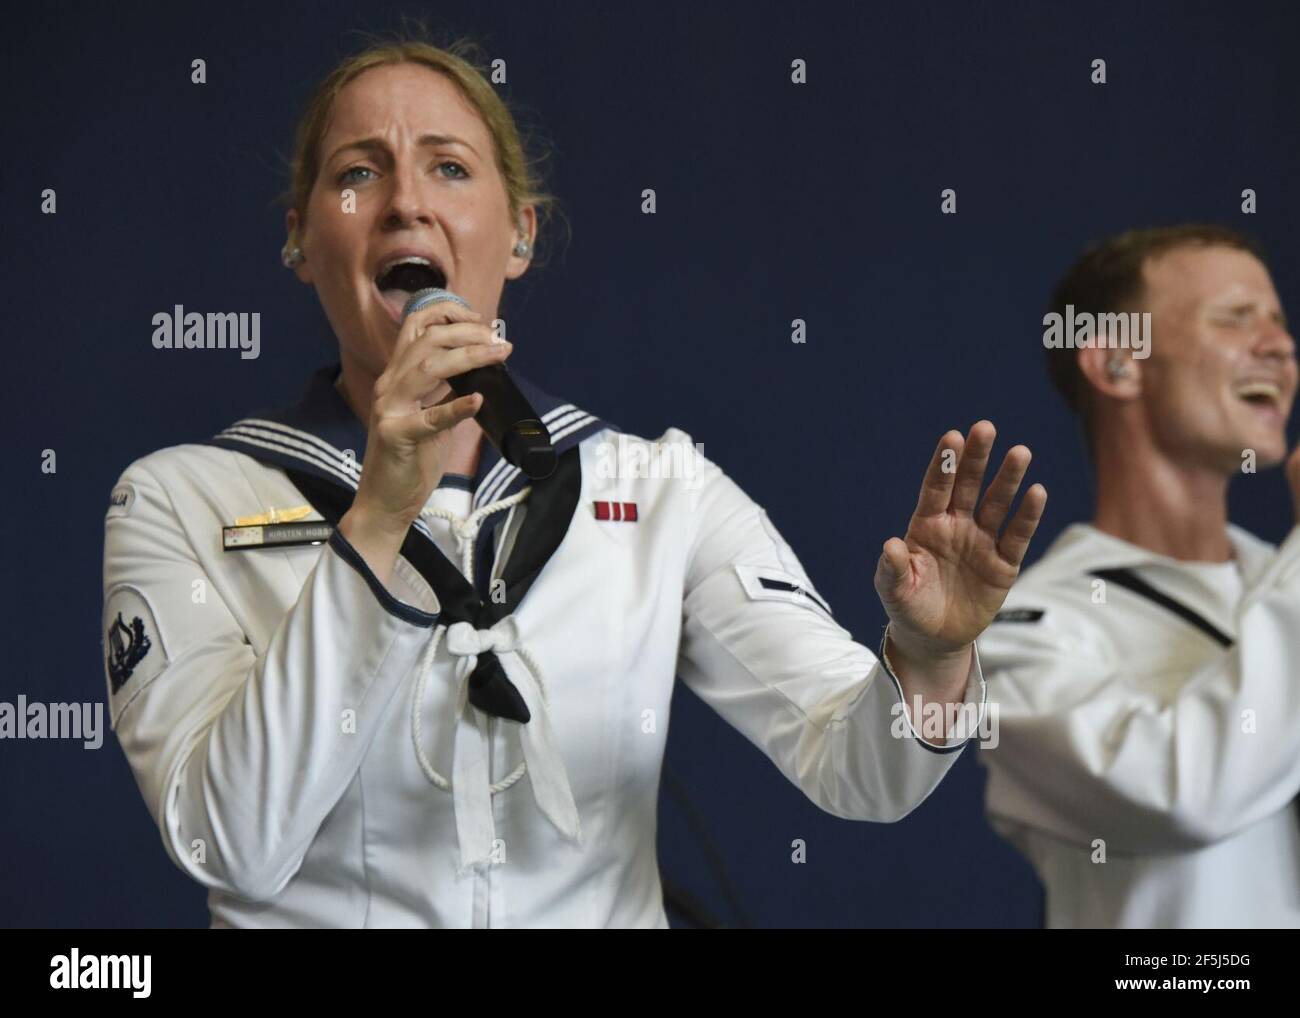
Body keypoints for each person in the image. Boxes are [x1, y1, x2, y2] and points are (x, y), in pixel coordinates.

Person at [101, 36, 1046, 928]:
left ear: (519, 235)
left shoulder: (660, 488)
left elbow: (858, 770)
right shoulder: (180, 501)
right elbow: (230, 844)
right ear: (302, 240)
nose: (403, 203)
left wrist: (927, 662)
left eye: (449, 166)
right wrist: (381, 514)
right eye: (357, 173)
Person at [976, 224, 1300, 928]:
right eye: (1235, 319)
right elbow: (1183, 794)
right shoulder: (1024, 632)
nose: (1279, 345)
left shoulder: (1283, 579)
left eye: (1279, 322)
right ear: (1119, 365)